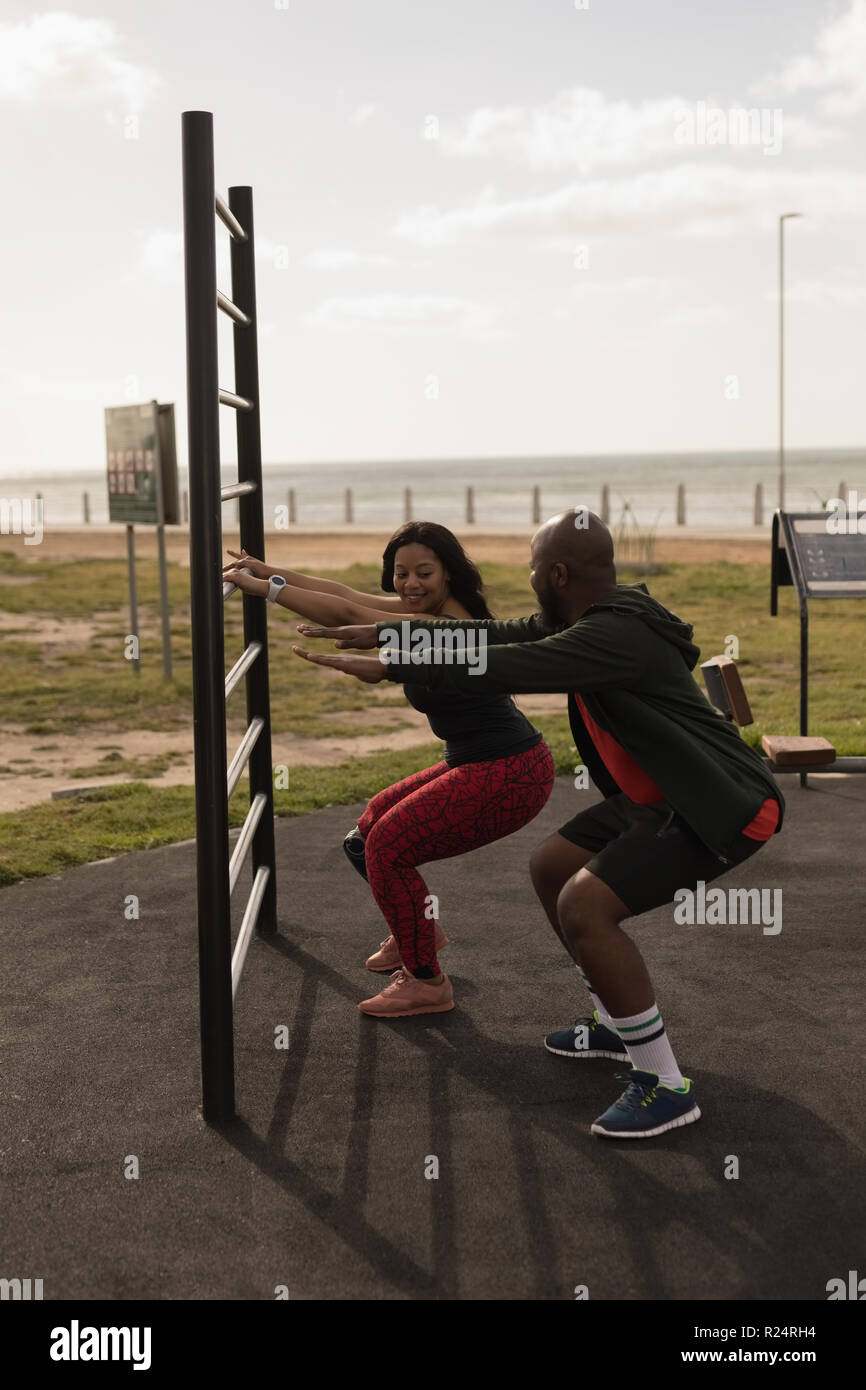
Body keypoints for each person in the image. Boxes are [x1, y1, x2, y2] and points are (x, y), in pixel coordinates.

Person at [291, 508, 785, 1140]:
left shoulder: (612, 637)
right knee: (552, 866)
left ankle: (664, 1085)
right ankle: (614, 1022)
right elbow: (497, 638)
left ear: (554, 573)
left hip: (719, 803)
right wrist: (395, 638)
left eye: (530, 567)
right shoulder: (588, 617)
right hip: (661, 797)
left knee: (586, 905)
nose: (526, 578)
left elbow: (513, 668)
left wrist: (394, 663)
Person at [223, 521, 555, 1018]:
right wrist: (269, 571)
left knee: (389, 847)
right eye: (401, 574)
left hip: (510, 771)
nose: (410, 584)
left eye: (424, 572)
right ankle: (420, 933)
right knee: (365, 836)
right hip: (476, 761)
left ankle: (427, 982)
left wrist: (264, 591)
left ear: (449, 574)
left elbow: (350, 613)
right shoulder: (427, 611)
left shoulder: (448, 625)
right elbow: (343, 593)